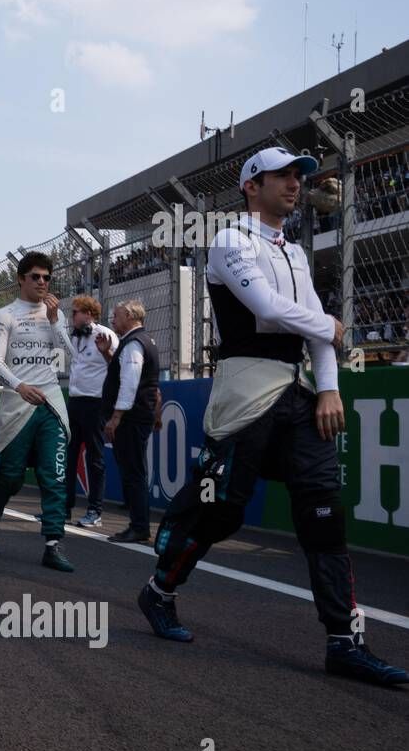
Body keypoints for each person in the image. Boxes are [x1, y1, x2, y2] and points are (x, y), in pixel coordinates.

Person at [140, 146, 405, 685]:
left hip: (297, 392)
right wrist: (325, 322)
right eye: (282, 175)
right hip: (243, 392)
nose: (293, 184)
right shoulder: (229, 239)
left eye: (297, 176)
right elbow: (267, 309)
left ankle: (343, 641)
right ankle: (159, 590)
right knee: (222, 511)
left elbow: (315, 331)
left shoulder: (297, 254)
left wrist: (328, 389)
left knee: (324, 509)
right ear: (250, 186)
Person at [0, 251, 75, 572]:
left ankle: (53, 543)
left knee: (54, 476)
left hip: (51, 403)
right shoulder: (5, 315)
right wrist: (20, 387)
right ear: (21, 279)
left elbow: (71, 359)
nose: (42, 282)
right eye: (36, 276)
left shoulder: (56, 316)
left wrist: (57, 323)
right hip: (17, 403)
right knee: (10, 476)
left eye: (47, 277)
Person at [96, 301, 160, 543]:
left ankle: (139, 527)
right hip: (136, 416)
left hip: (132, 418)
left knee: (133, 473)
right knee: (134, 472)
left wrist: (116, 417)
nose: (112, 320)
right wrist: (106, 353)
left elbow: (130, 382)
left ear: (131, 316)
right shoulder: (140, 341)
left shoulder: (134, 343)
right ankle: (138, 524)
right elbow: (125, 372)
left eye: (117, 315)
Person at [63, 295, 118, 528]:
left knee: (95, 458)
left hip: (96, 403)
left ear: (89, 313)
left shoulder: (105, 335)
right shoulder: (74, 337)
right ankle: (63, 509)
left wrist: (106, 352)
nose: (71, 316)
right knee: (69, 455)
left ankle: (95, 511)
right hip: (75, 400)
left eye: (75, 312)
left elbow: (118, 366)